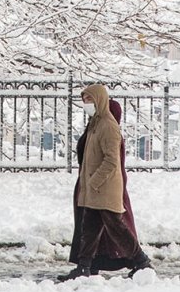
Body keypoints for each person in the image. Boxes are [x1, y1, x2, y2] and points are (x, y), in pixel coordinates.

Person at [60, 84, 153, 280]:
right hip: (94, 189)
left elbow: (112, 160)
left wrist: (94, 181)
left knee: (116, 227)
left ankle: (142, 262)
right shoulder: (96, 123)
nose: (86, 104)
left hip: (104, 188)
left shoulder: (108, 126)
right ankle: (84, 267)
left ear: (99, 100)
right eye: (84, 100)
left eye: (89, 100)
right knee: (90, 228)